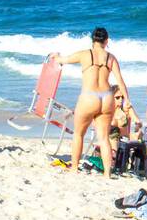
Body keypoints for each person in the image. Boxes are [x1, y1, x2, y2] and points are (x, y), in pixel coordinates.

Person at [54, 27, 132, 179]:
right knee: (103, 138)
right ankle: (107, 174)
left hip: (89, 97)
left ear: (92, 40)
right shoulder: (111, 58)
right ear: (106, 41)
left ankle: (74, 167)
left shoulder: (84, 54)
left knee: (79, 134)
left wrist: (56, 56)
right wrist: (127, 99)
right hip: (107, 97)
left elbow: (63, 60)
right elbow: (120, 81)